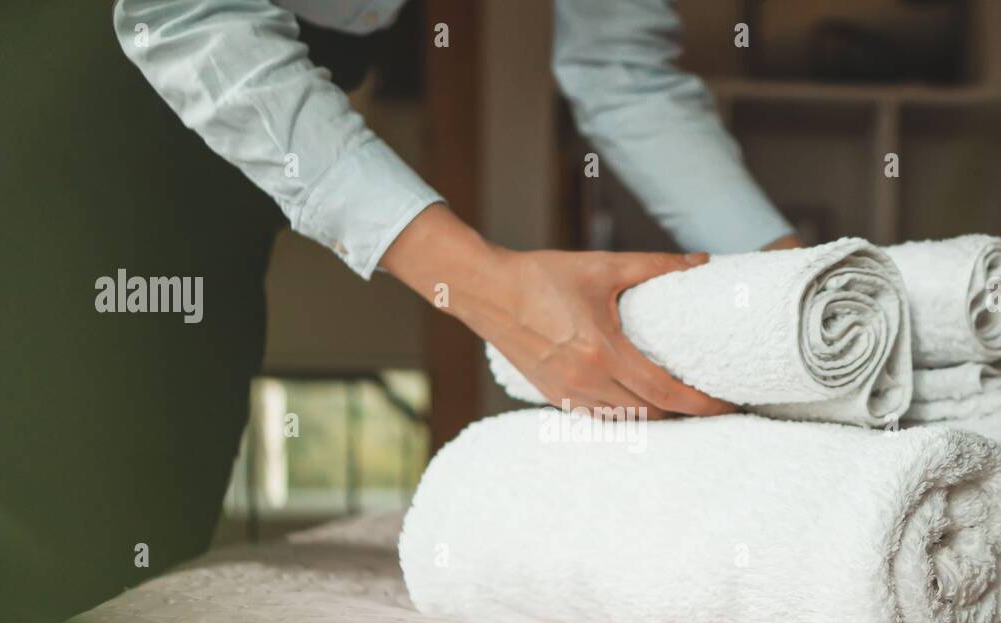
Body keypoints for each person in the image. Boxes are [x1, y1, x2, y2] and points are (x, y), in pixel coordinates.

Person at [112, 0, 799, 418]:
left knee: (194, 402)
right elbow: (186, 13)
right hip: (100, 75)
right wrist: (498, 294)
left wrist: (800, 284)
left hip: (282, 94)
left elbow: (622, 70)